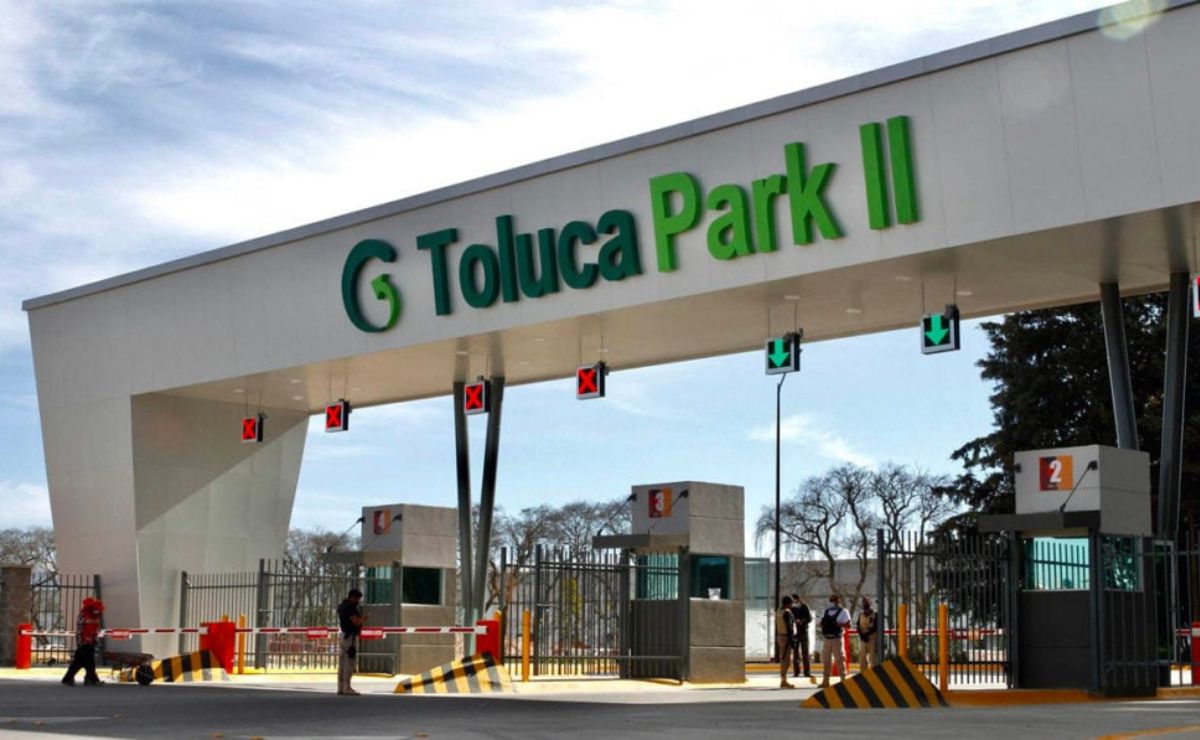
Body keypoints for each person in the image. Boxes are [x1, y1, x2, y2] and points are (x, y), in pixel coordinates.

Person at [62, 597, 104, 686]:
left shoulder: (96, 616)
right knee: (89, 662)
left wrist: (95, 640)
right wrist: (80, 642)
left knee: (78, 662)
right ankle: (92, 679)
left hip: (91, 642)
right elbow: (80, 630)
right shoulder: (83, 616)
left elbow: (95, 629)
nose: (98, 612)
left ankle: (68, 678)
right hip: (84, 642)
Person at [818, 594, 851, 689]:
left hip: (837, 639)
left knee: (840, 659)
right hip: (827, 638)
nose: (832, 602)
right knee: (826, 660)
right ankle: (825, 681)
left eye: (833, 600)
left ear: (838, 601)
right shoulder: (827, 611)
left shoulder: (843, 611)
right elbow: (821, 623)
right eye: (831, 600)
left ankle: (843, 680)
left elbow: (848, 625)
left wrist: (837, 624)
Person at [337, 588, 365, 695]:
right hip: (350, 637)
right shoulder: (351, 607)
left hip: (344, 635)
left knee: (342, 662)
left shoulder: (342, 605)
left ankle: (341, 687)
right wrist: (364, 619)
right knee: (349, 662)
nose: (358, 601)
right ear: (353, 597)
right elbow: (356, 621)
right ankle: (347, 687)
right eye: (357, 599)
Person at [789, 593, 812, 679]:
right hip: (795, 632)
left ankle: (807, 671)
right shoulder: (791, 609)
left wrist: (802, 621)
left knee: (805, 652)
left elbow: (809, 618)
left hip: (803, 631)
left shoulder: (804, 607)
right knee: (795, 653)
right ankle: (796, 671)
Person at [775, 595, 796, 689]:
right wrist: (792, 640)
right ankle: (784, 681)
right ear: (788, 604)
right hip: (786, 637)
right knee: (786, 660)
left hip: (780, 636)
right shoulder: (787, 612)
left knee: (783, 659)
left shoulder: (778, 611)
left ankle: (784, 680)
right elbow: (789, 627)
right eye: (791, 603)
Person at [857, 597, 878, 673]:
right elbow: (858, 626)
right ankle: (863, 674)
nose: (865, 604)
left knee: (873, 659)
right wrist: (862, 636)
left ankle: (874, 675)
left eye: (866, 603)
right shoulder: (861, 614)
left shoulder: (875, 614)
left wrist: (866, 634)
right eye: (864, 603)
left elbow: (875, 627)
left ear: (870, 604)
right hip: (863, 639)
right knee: (862, 659)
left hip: (872, 639)